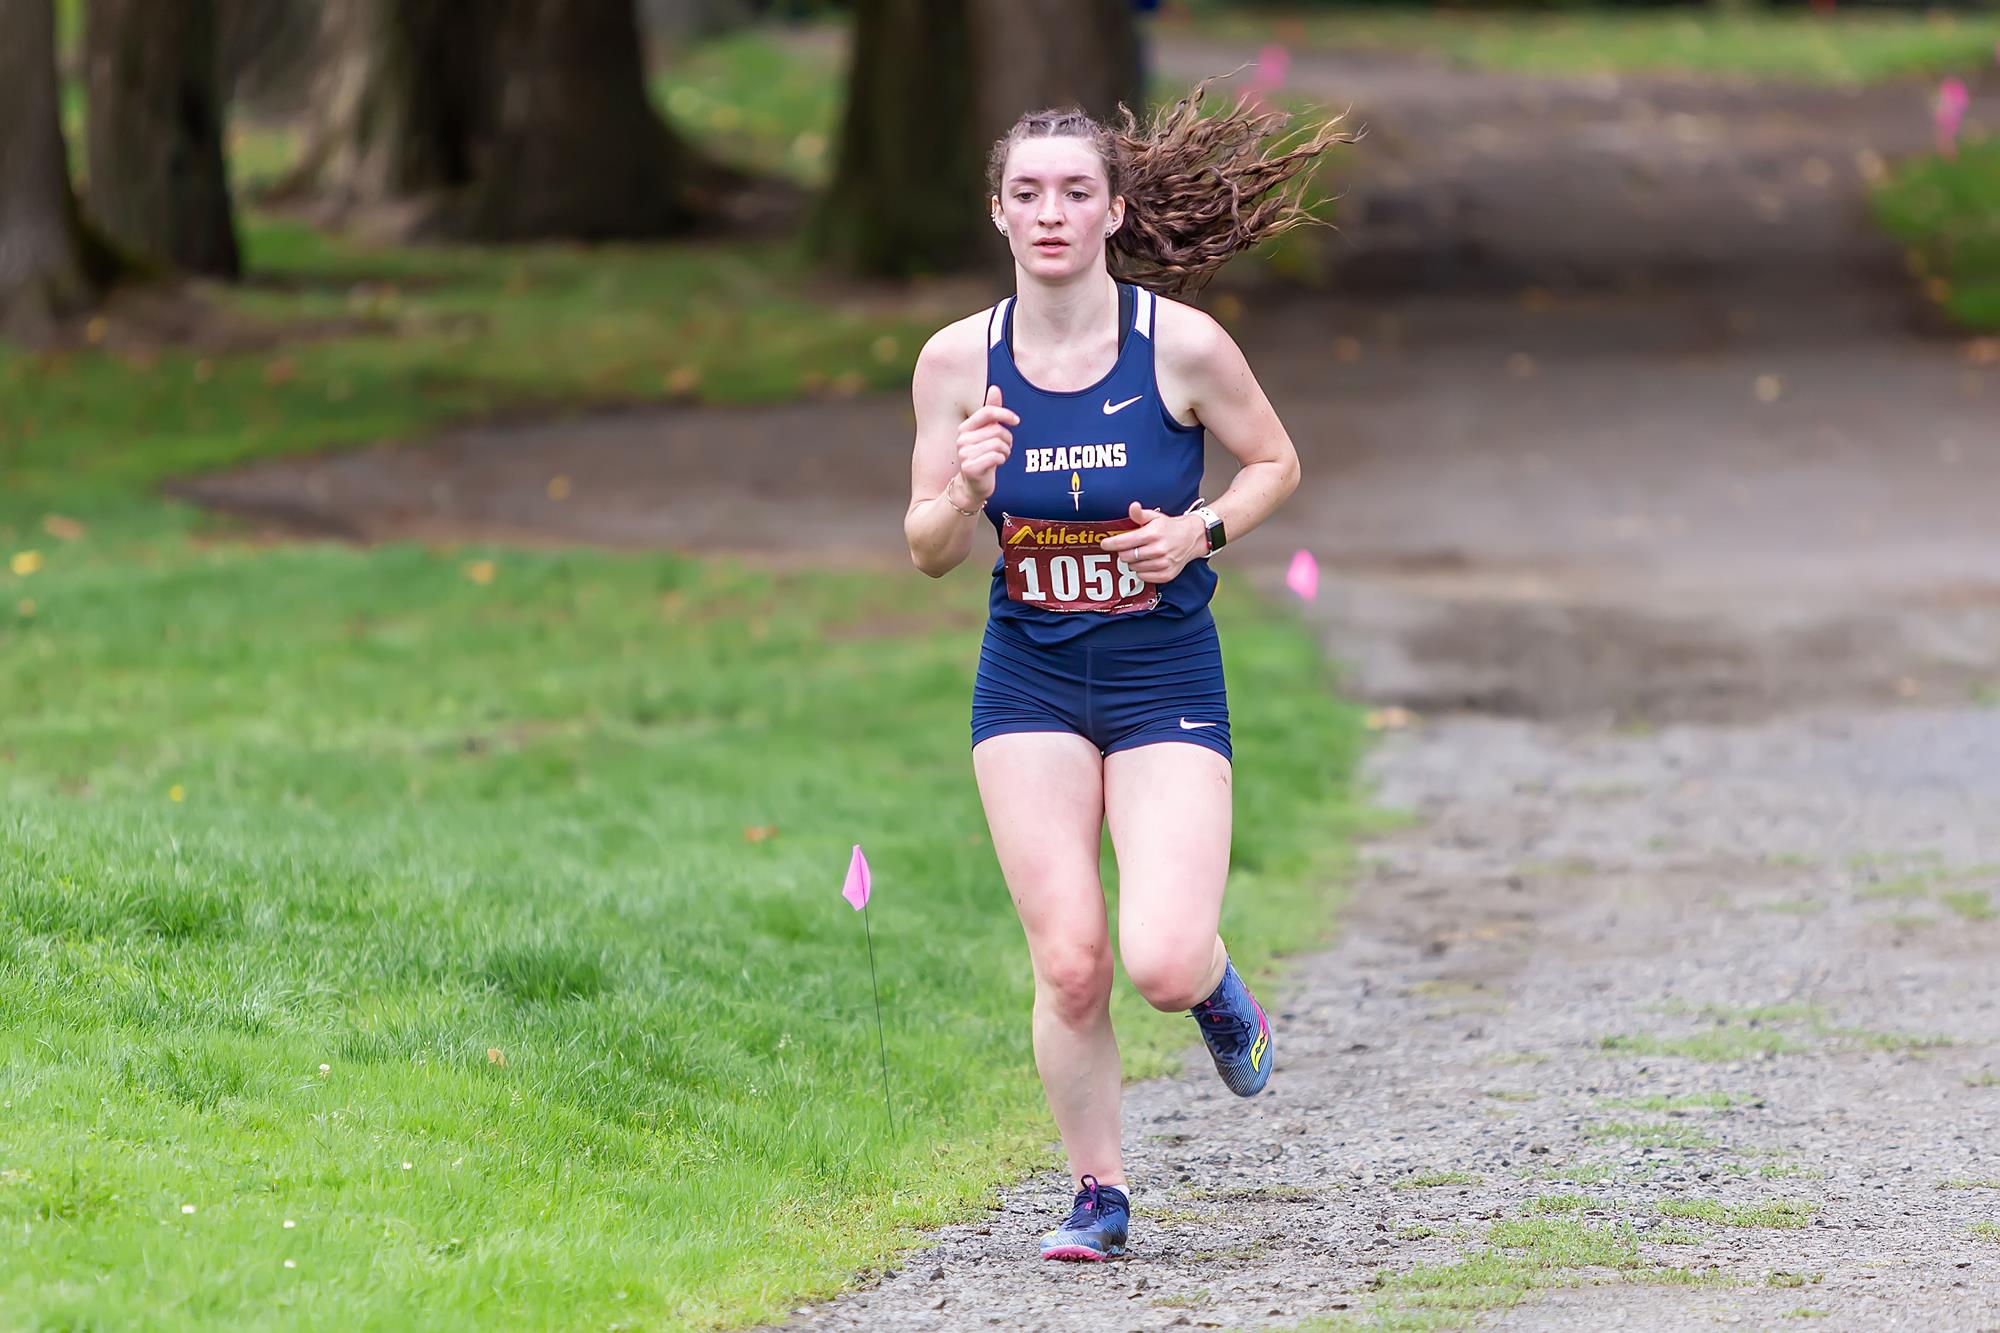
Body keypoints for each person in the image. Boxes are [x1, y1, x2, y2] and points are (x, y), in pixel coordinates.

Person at [903, 82, 1349, 1262]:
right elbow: (928, 552)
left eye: (1074, 192)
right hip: (1029, 681)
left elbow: (1275, 464)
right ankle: (1096, 1193)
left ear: (1110, 212)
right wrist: (961, 488)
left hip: (1162, 679)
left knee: (1154, 958)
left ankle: (1213, 990)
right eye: (1026, 194)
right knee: (1069, 957)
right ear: (996, 215)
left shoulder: (1181, 345)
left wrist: (1196, 533)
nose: (1050, 214)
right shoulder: (956, 363)